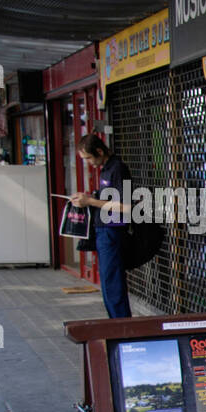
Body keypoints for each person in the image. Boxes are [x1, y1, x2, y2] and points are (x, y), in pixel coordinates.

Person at [72, 133, 132, 318]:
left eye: (89, 158)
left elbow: (126, 205)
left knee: (112, 283)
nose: (88, 162)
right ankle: (116, 323)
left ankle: (122, 326)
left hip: (112, 230)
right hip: (103, 230)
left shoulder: (117, 169)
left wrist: (91, 202)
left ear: (99, 151)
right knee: (107, 283)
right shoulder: (105, 169)